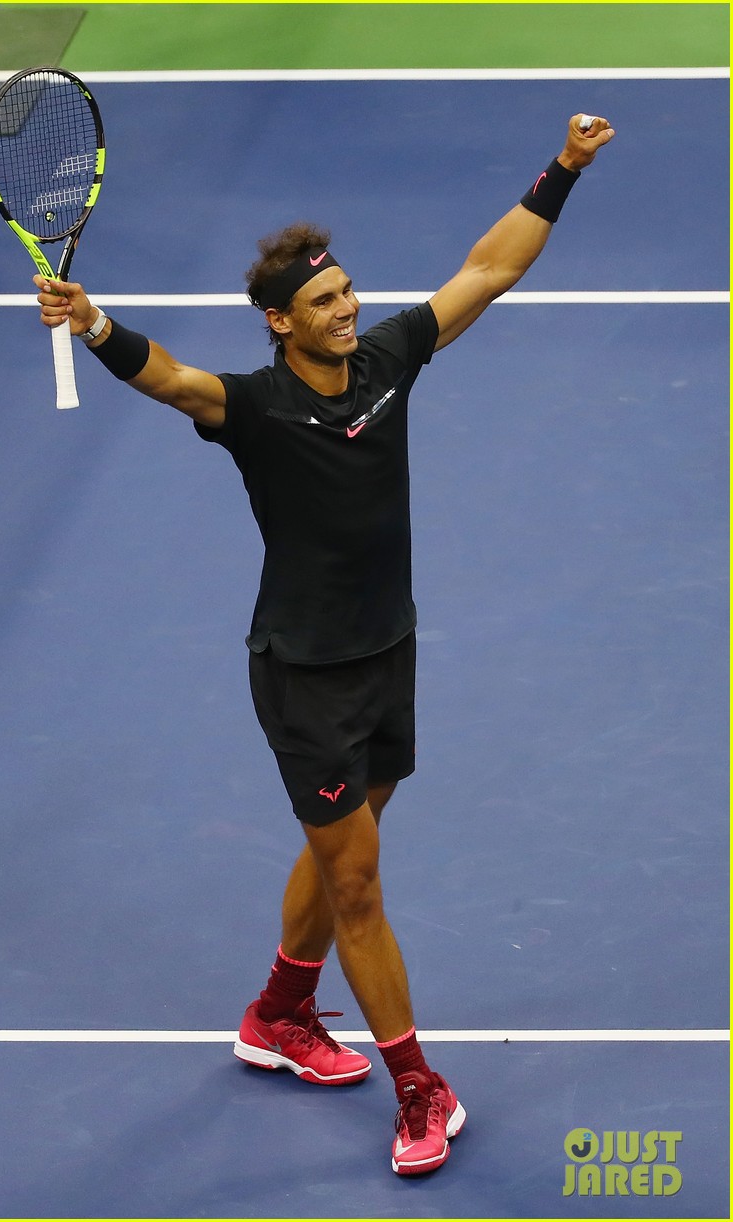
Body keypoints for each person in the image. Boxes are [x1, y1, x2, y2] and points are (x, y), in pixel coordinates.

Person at [35, 112, 615, 1176]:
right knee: (356, 883)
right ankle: (419, 1087)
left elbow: (488, 270)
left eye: (346, 292)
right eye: (322, 304)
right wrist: (97, 322)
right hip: (302, 677)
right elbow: (169, 377)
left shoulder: (389, 357)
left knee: (340, 846)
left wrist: (563, 169)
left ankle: (279, 1013)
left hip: (386, 651)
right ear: (276, 324)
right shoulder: (251, 408)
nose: (347, 311)